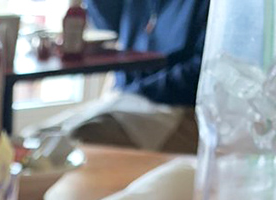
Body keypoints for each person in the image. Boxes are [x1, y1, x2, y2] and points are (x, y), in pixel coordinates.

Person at [34, 0, 209, 153]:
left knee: (75, 138)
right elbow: (106, 25)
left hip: (173, 107)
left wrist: (138, 90)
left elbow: (200, 74)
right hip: (125, 98)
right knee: (36, 137)